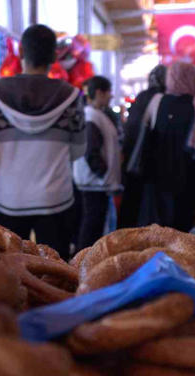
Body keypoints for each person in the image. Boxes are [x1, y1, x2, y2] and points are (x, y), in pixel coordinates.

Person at [0, 24, 86, 260]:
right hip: (55, 198)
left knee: (11, 266)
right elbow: (78, 150)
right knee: (56, 270)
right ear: (53, 57)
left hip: (9, 198)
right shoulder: (71, 97)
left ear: (21, 53)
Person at [137, 61, 195, 232]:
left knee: (156, 231)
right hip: (187, 181)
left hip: (156, 180)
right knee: (181, 232)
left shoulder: (157, 102)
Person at [73, 76, 121, 249]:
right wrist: (102, 173)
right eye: (109, 92)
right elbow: (91, 150)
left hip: (95, 182)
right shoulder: (91, 116)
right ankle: (82, 262)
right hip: (93, 183)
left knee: (94, 226)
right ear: (99, 93)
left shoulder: (95, 115)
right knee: (91, 227)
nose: (111, 96)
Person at [119, 64, 166, 228]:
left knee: (130, 206)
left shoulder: (141, 97)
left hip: (132, 161)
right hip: (149, 165)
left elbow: (129, 131)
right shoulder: (162, 99)